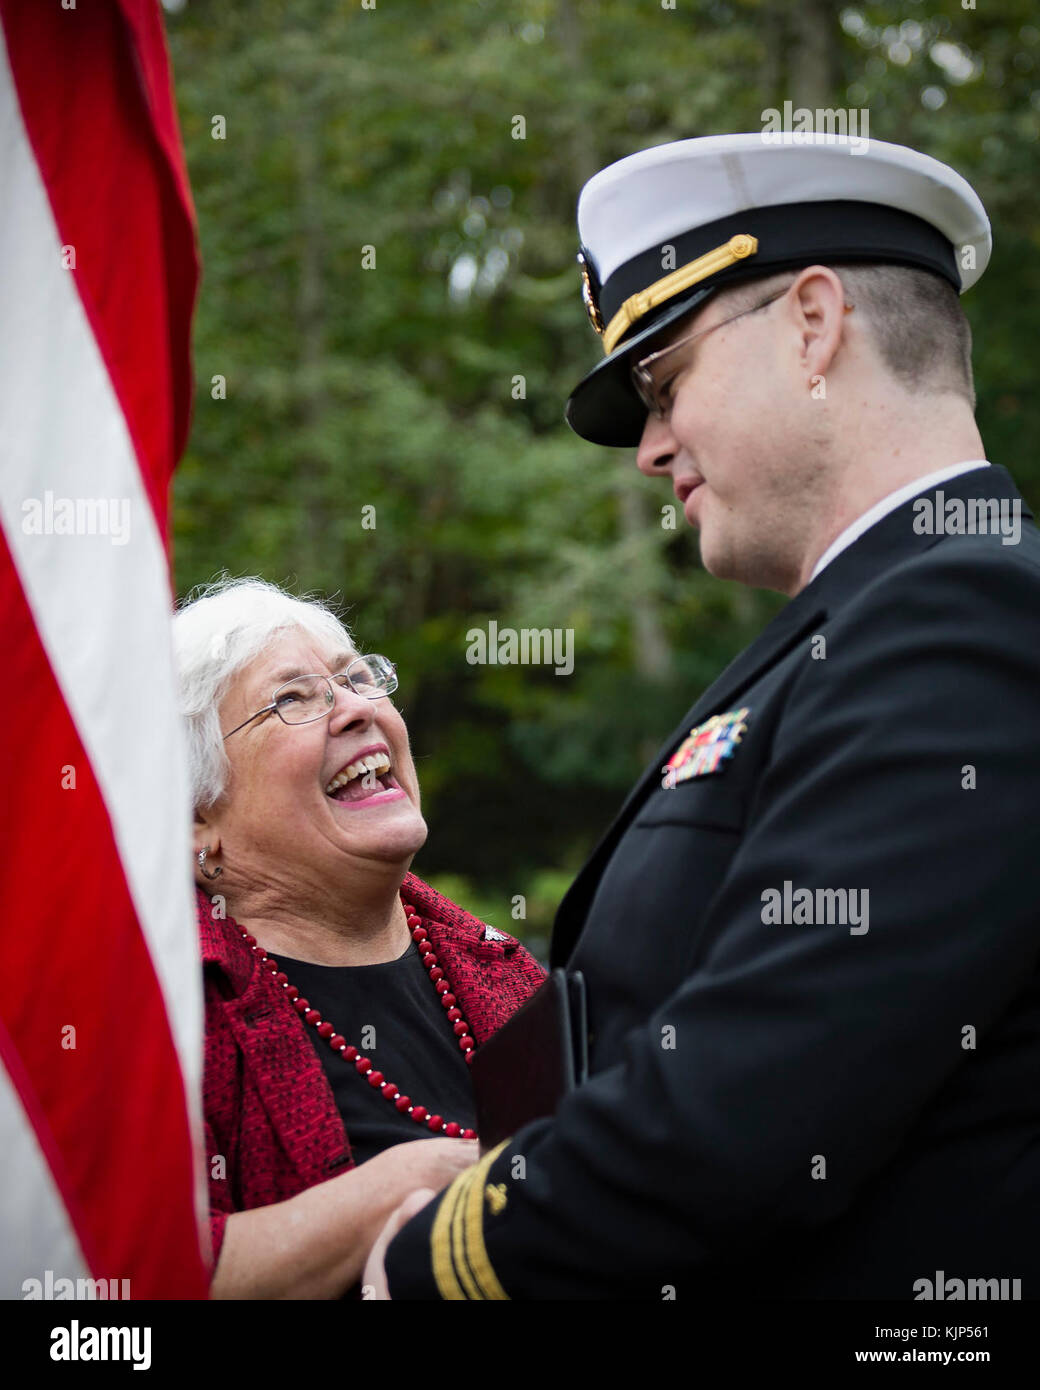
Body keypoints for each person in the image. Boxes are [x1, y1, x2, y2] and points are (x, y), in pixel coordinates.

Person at [369, 132, 1040, 1298]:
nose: (649, 449)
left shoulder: (959, 607)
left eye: (665, 383)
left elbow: (757, 1100)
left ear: (814, 324)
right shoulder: (879, 618)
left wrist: (434, 1261)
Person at [174, 577, 545, 1298]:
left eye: (357, 677)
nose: (354, 708)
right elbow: (124, 1272)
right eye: (293, 698)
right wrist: (413, 1182)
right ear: (198, 823)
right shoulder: (162, 1017)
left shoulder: (506, 971)